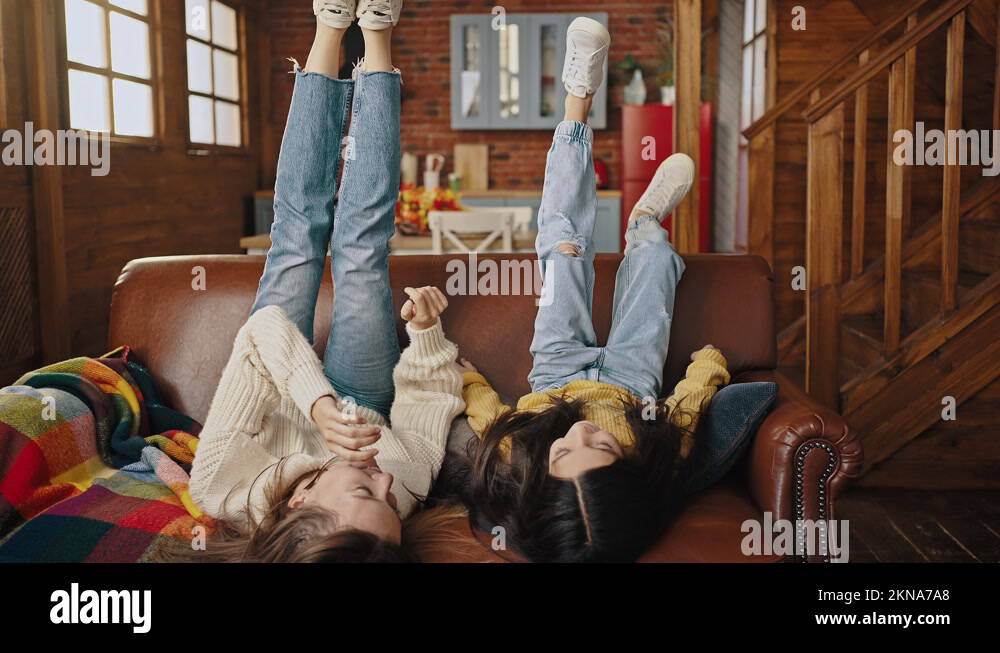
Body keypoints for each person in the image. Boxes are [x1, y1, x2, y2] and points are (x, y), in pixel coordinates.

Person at [182, 0, 467, 563]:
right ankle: (379, 32)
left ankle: (331, 25)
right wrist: (427, 335)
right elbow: (431, 397)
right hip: (365, 399)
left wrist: (316, 407)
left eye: (366, 490)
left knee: (297, 236)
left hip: (286, 393)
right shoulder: (397, 494)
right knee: (360, 249)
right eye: (392, 505)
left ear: (300, 501)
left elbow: (264, 330)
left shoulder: (220, 486)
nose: (387, 483)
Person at [449, 17, 731, 563]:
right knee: (653, 262)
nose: (578, 435)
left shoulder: (517, 458)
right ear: (627, 471)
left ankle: (577, 97)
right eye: (600, 447)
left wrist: (461, 375)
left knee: (563, 249)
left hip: (554, 368)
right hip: (633, 377)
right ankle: (645, 218)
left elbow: (486, 418)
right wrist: (709, 366)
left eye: (562, 453)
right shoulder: (654, 457)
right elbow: (687, 413)